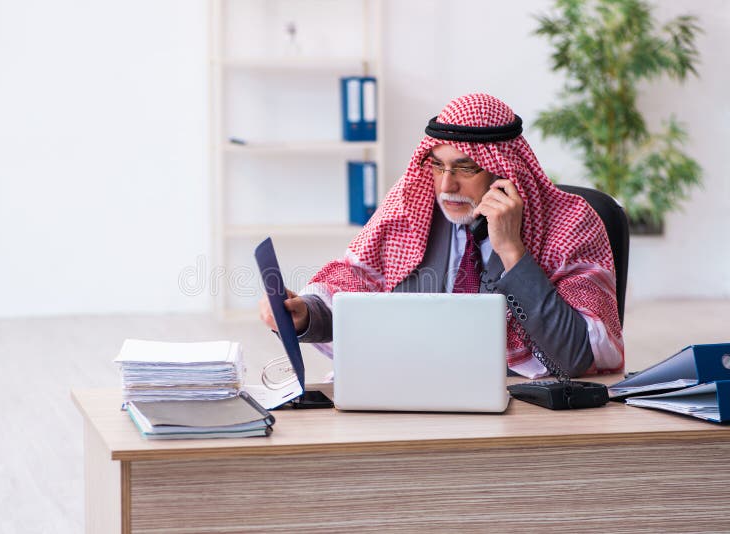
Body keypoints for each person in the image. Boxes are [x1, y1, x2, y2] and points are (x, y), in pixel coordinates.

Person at [259, 93, 624, 378]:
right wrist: (305, 316)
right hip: (413, 385)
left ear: (503, 171)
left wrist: (513, 252)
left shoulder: (572, 223)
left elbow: (578, 356)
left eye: (465, 168)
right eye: (437, 165)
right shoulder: (411, 210)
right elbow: (357, 293)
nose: (446, 185)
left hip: (522, 398)